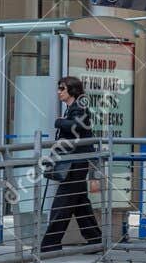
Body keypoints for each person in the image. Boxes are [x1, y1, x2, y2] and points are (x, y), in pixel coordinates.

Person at [40, 76, 102, 253]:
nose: (59, 92)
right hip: (74, 162)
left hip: (75, 164)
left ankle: (50, 244)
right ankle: (95, 239)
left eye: (62, 88)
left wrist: (58, 122)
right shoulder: (72, 108)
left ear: (72, 90)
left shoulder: (79, 107)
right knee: (80, 204)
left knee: (62, 203)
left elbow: (76, 126)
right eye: (59, 88)